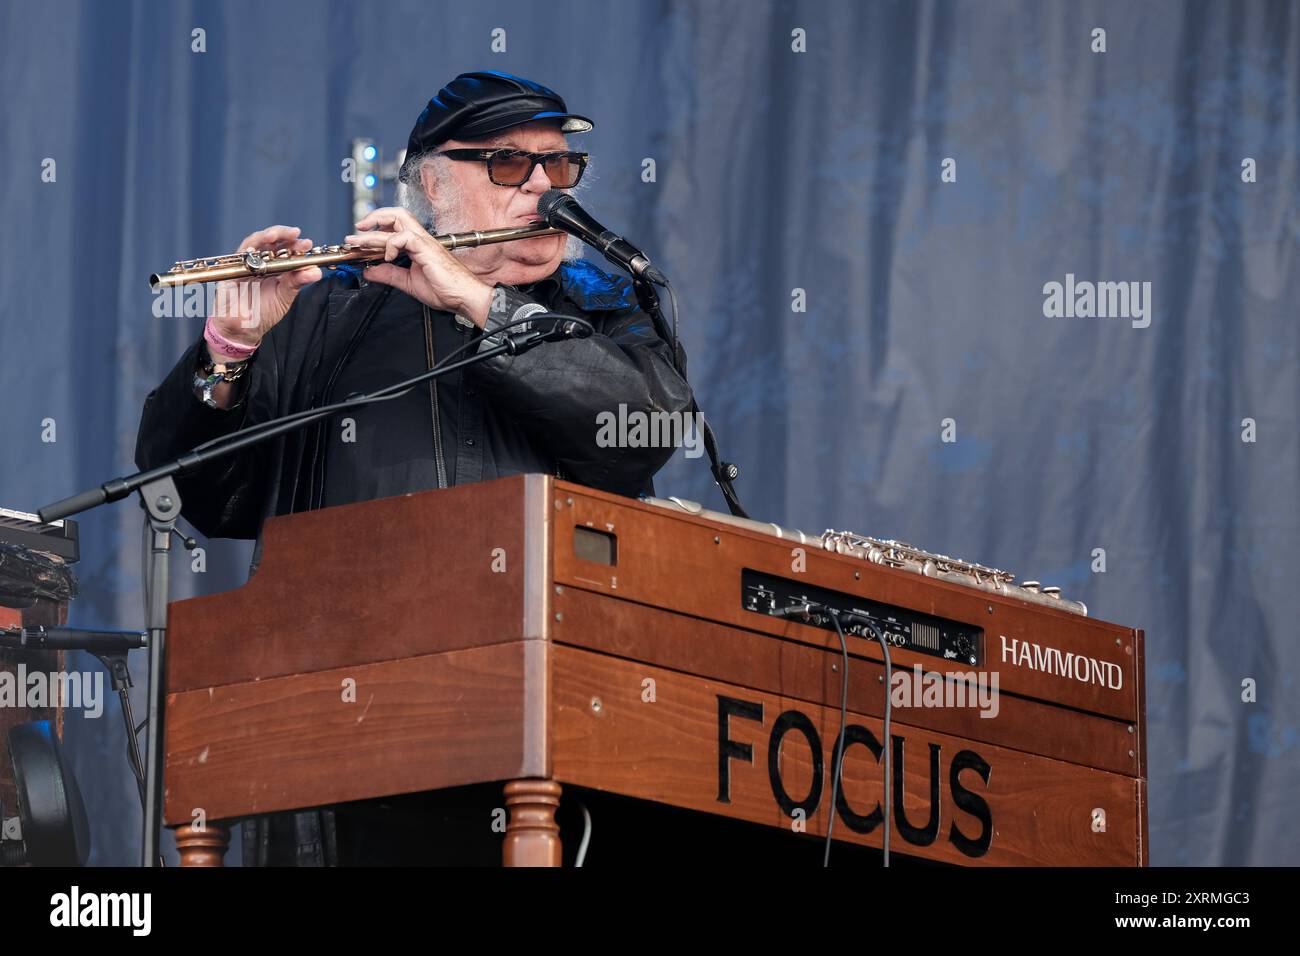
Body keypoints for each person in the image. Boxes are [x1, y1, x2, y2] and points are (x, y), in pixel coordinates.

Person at [135, 71, 694, 865]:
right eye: (508, 165)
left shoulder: (606, 307)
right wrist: (231, 353)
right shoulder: (330, 308)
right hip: (350, 723)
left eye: (559, 166)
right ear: (433, 184)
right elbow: (205, 494)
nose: (543, 185)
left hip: (553, 718)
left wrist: (477, 301)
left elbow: (646, 428)